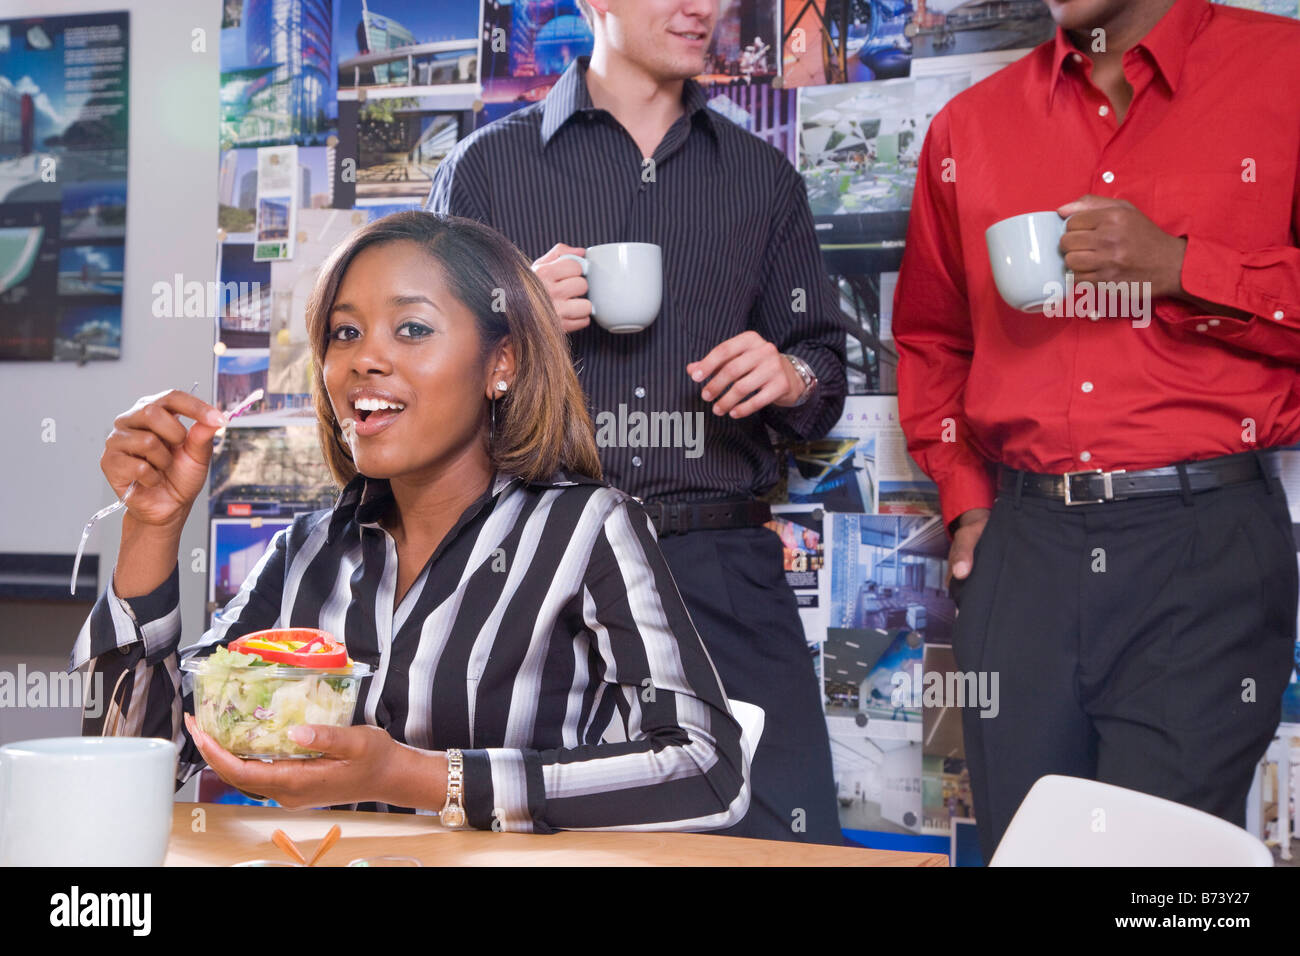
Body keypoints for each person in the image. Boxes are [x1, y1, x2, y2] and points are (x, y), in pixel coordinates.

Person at [67, 212, 750, 832]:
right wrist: (152, 529)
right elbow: (132, 761)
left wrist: (416, 778)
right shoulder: (304, 554)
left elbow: (707, 769)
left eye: (412, 328)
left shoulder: (588, 529)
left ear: (500, 363)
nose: (366, 357)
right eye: (344, 332)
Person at [427, 0, 847, 844]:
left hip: (720, 571)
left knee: (785, 850)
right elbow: (422, 386)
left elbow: (824, 373)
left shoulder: (763, 179)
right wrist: (512, 318)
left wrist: (789, 371)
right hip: (537, 571)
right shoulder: (485, 169)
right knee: (534, 846)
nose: (705, 8)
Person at [893, 0, 1300, 862]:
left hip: (1203, 549)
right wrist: (966, 500)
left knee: (1153, 871)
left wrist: (1184, 267)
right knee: (1031, 849)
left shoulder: (1283, 72)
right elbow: (933, 340)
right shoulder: (970, 126)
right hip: (1022, 549)